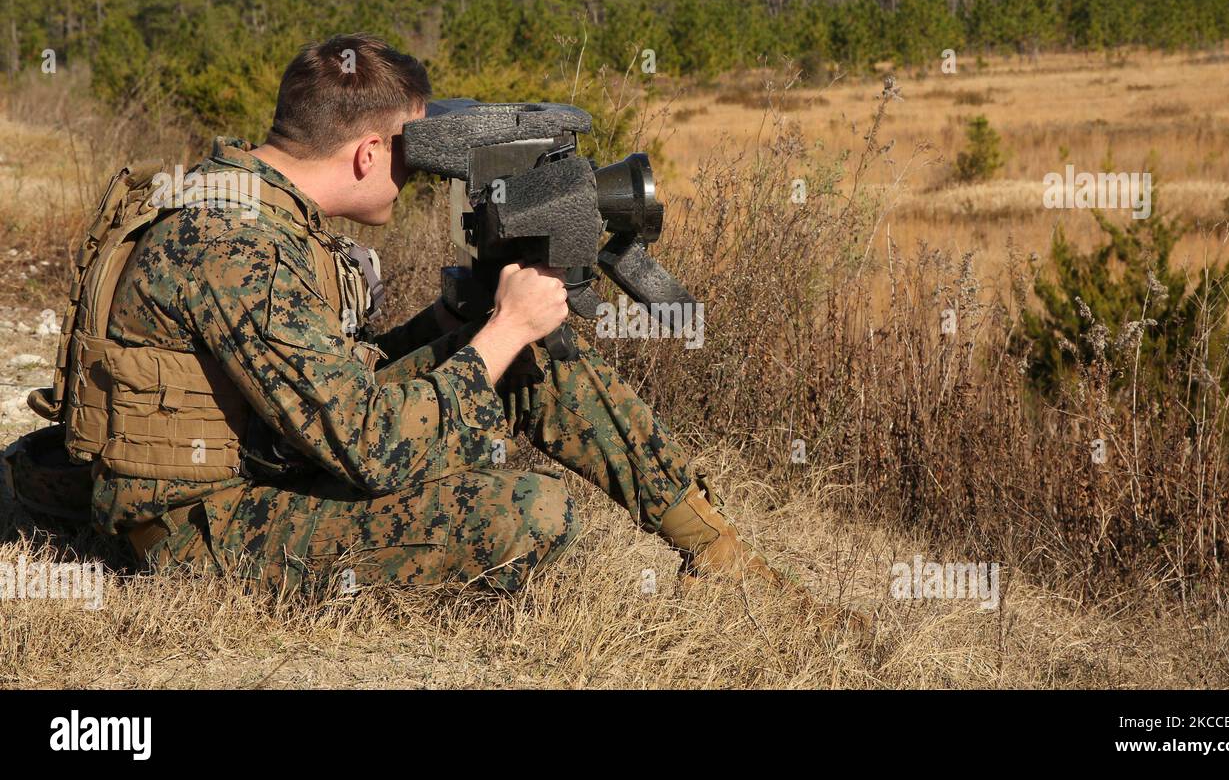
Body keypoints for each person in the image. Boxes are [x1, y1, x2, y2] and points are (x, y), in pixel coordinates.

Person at [86, 33, 782, 595]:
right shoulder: (236, 248)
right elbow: (371, 447)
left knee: (529, 361)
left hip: (269, 458)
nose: (419, 172)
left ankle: (720, 554)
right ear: (365, 154)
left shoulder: (246, 200)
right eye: (409, 155)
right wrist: (501, 329)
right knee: (531, 513)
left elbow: (326, 389)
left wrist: (469, 330)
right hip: (198, 530)